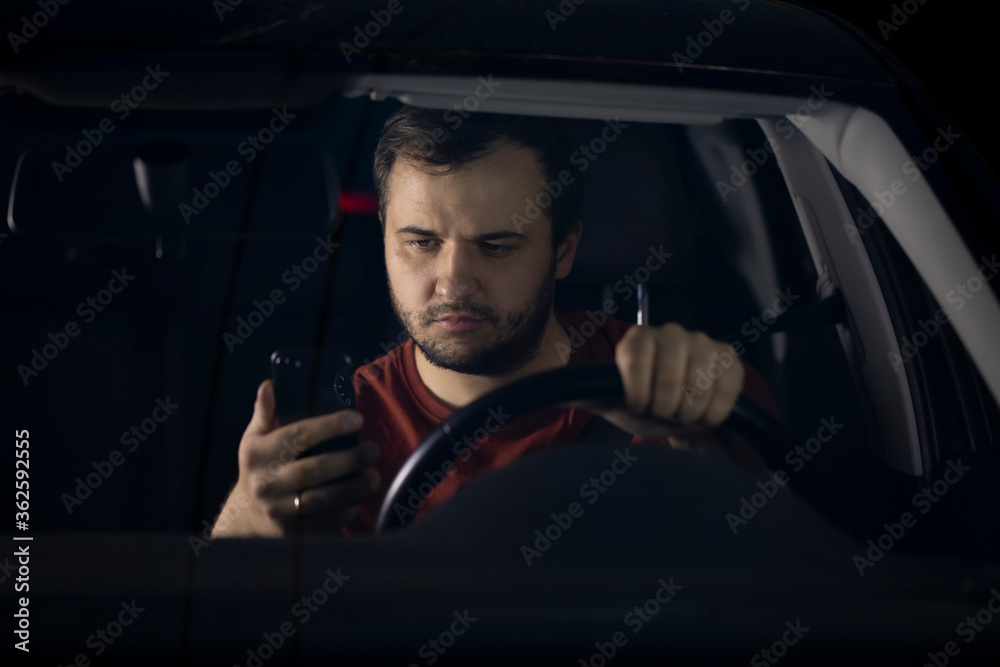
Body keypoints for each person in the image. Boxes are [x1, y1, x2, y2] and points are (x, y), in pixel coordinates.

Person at [211, 106, 779, 538]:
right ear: (383, 238)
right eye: (421, 243)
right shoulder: (339, 436)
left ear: (563, 249)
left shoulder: (682, 384)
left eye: (498, 246)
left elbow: (785, 591)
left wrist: (711, 450)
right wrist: (243, 522)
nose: (454, 282)